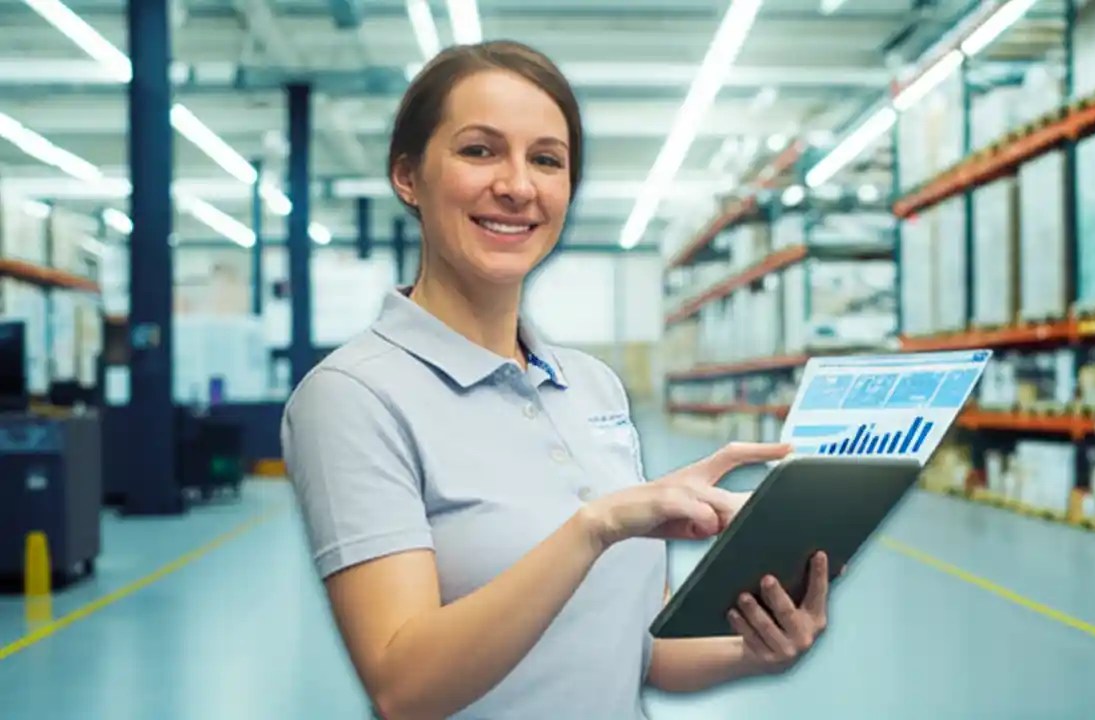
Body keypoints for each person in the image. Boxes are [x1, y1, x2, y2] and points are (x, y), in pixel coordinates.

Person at [281, 40, 835, 720]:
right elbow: (406, 688)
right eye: (479, 151)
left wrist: (759, 649)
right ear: (408, 176)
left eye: (546, 159)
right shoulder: (352, 397)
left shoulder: (593, 387)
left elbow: (642, 648)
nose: (518, 186)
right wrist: (595, 527)